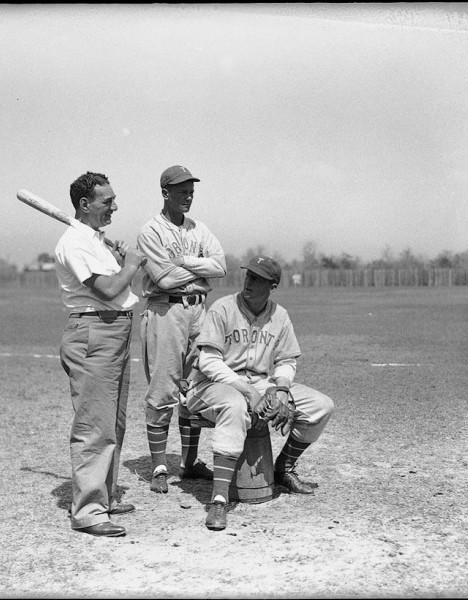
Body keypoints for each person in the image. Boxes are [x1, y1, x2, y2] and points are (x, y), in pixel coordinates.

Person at [185, 256, 335, 531]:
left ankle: (284, 468)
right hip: (210, 385)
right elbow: (208, 361)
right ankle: (219, 500)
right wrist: (249, 392)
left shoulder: (280, 316)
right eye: (248, 276)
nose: (249, 282)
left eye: (258, 279)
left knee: (320, 405)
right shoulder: (223, 308)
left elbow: (287, 361)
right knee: (235, 405)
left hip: (262, 384)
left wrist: (280, 390)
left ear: (273, 286)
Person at [54, 171, 147, 538]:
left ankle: (102, 496)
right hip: (93, 333)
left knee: (113, 421)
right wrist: (131, 265)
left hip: (116, 331)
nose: (114, 207)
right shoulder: (74, 243)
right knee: (95, 423)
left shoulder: (95, 241)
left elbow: (118, 290)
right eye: (107, 202)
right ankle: (88, 510)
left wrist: (121, 258)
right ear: (85, 204)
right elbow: (109, 289)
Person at [137, 165, 227, 493]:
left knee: (196, 387)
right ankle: (160, 465)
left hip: (198, 312)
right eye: (181, 191)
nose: (188, 197)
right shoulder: (151, 231)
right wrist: (200, 272)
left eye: (191, 191)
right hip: (166, 310)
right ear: (165, 193)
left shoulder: (198, 229)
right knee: (163, 390)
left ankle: (189, 463)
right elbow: (163, 279)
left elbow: (221, 266)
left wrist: (185, 263)